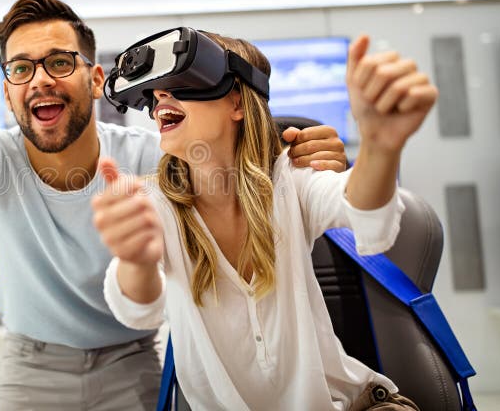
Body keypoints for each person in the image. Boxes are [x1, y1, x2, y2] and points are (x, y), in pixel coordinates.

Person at [0, 0, 350, 410]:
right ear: (6, 92)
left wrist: (299, 146)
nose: (40, 80)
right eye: (21, 69)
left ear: (96, 80)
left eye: (59, 62)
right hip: (32, 368)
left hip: (132, 360)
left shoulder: (148, 156)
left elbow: (223, 149)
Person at [92, 29, 437, 410]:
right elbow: (138, 310)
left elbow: (365, 212)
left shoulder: (291, 179)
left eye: (179, 84)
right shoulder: (150, 203)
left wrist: (380, 146)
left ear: (237, 101)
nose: (159, 97)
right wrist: (135, 260)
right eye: (155, 91)